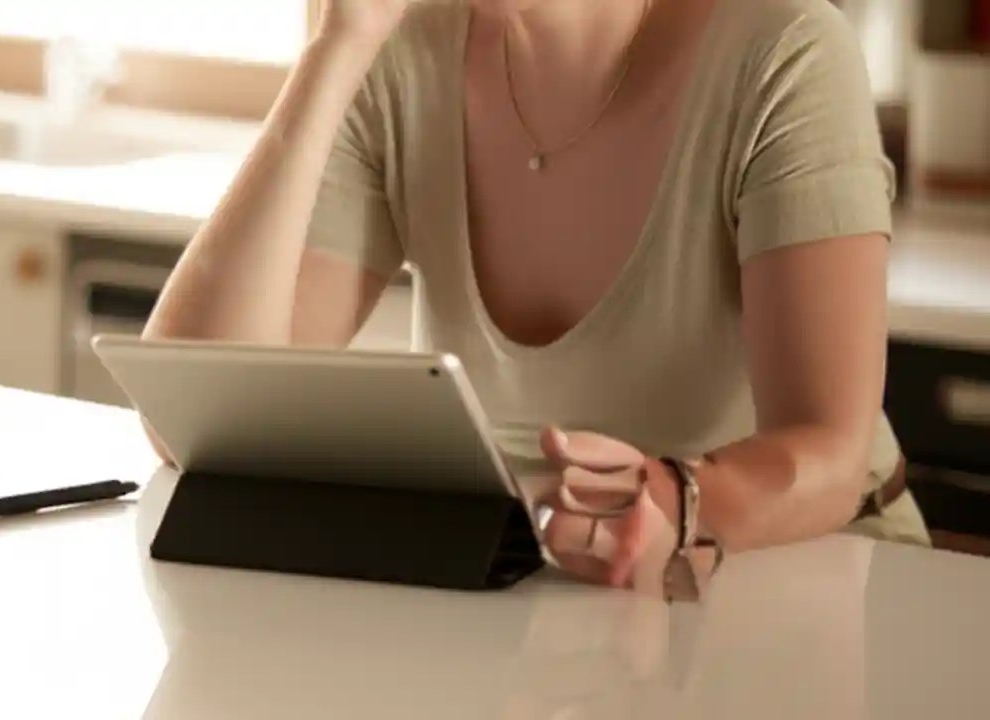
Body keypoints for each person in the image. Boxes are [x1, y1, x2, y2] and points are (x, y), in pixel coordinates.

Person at [143, 0, 931, 594]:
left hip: (807, 581)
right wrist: (334, 49)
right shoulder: (405, 48)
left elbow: (827, 454)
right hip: (537, 588)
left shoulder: (786, 48)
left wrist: (667, 503)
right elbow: (196, 413)